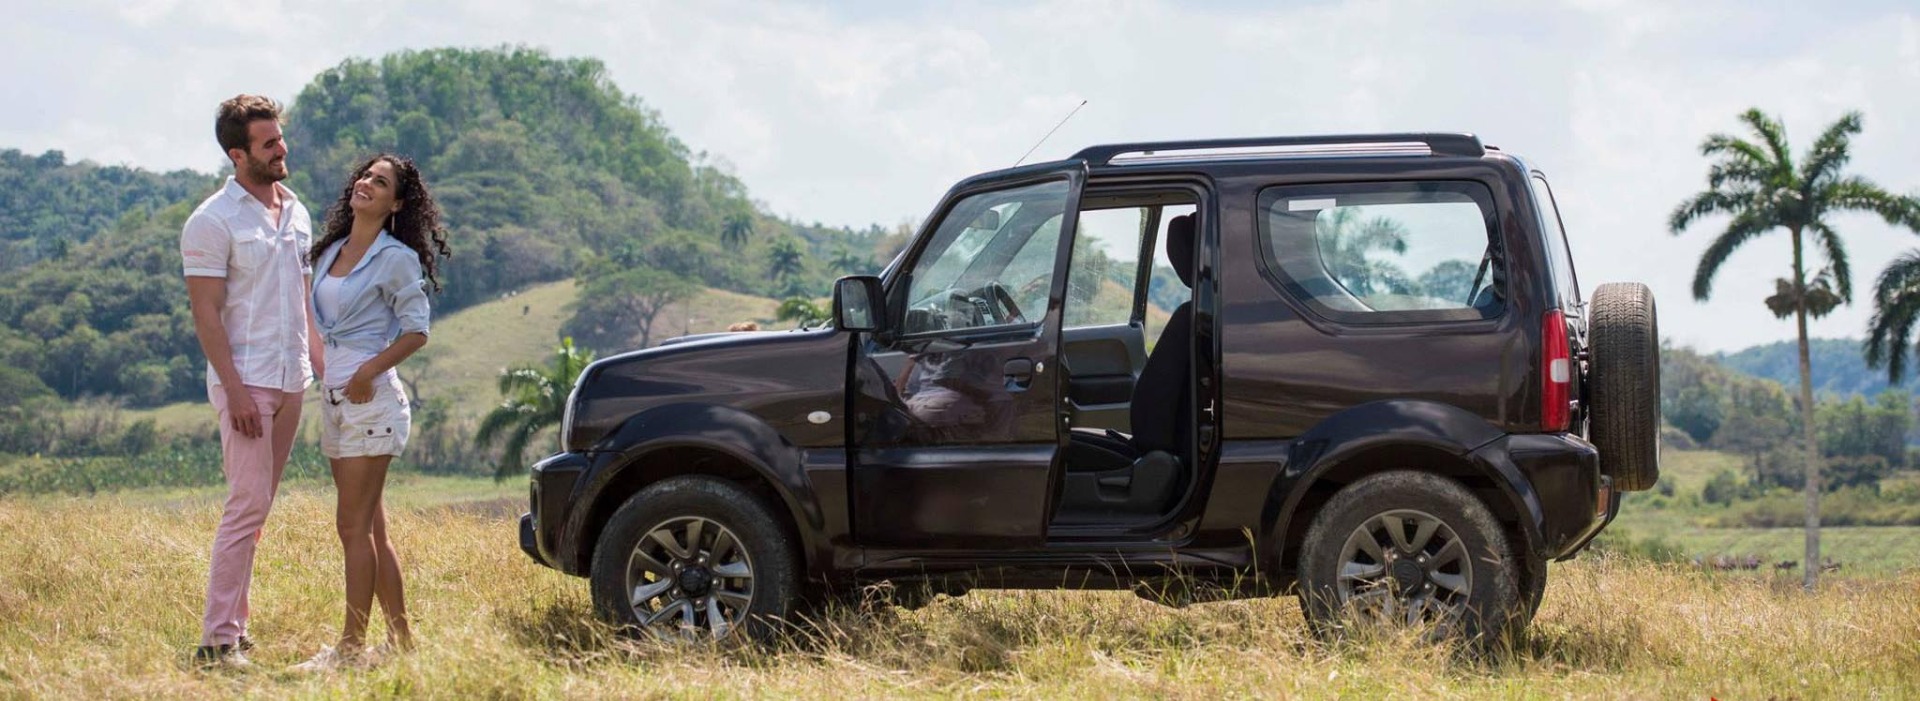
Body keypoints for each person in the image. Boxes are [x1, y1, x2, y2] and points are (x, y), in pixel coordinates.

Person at [292, 153, 449, 671]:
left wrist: (365, 372)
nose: (367, 184)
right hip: (337, 401)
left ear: (396, 203)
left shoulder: (395, 258)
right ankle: (402, 646)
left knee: (352, 528)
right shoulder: (332, 249)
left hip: (371, 401)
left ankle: (351, 649)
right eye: (366, 176)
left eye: (381, 183)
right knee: (371, 530)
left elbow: (417, 330)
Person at [182, 94, 321, 669]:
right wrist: (235, 390)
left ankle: (236, 628)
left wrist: (320, 368)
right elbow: (206, 314)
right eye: (269, 143)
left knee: (258, 508)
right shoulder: (211, 221)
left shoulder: (297, 211)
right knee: (245, 505)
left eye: (280, 137)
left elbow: (304, 301)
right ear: (238, 154)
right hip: (248, 383)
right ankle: (216, 641)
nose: (281, 148)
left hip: (293, 381)